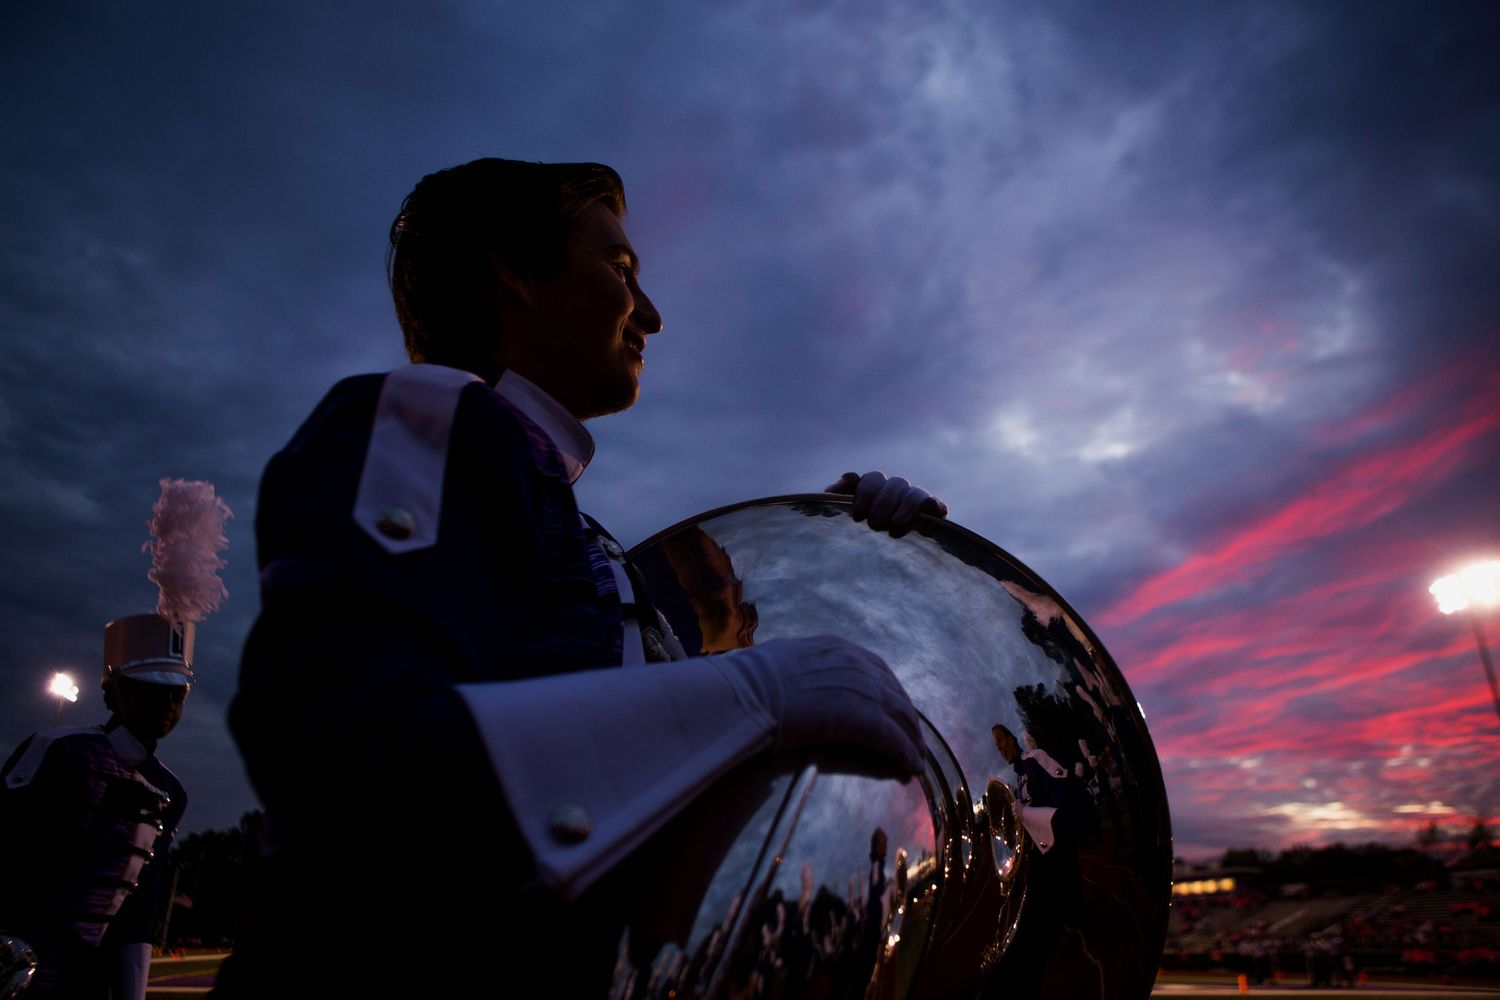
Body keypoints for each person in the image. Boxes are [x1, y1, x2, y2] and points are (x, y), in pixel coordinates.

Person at [216, 158, 946, 995]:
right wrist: (748, 698)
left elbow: (650, 677)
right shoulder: (424, 416)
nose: (655, 315)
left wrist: (855, 536)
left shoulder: (568, 524)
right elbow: (342, 757)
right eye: (621, 269)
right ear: (514, 272)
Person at [0, 614, 192, 1000]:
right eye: (151, 688)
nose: (168, 702)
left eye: (178, 692)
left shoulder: (171, 790)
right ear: (112, 691)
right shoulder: (59, 749)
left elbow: (140, 908)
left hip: (91, 977)